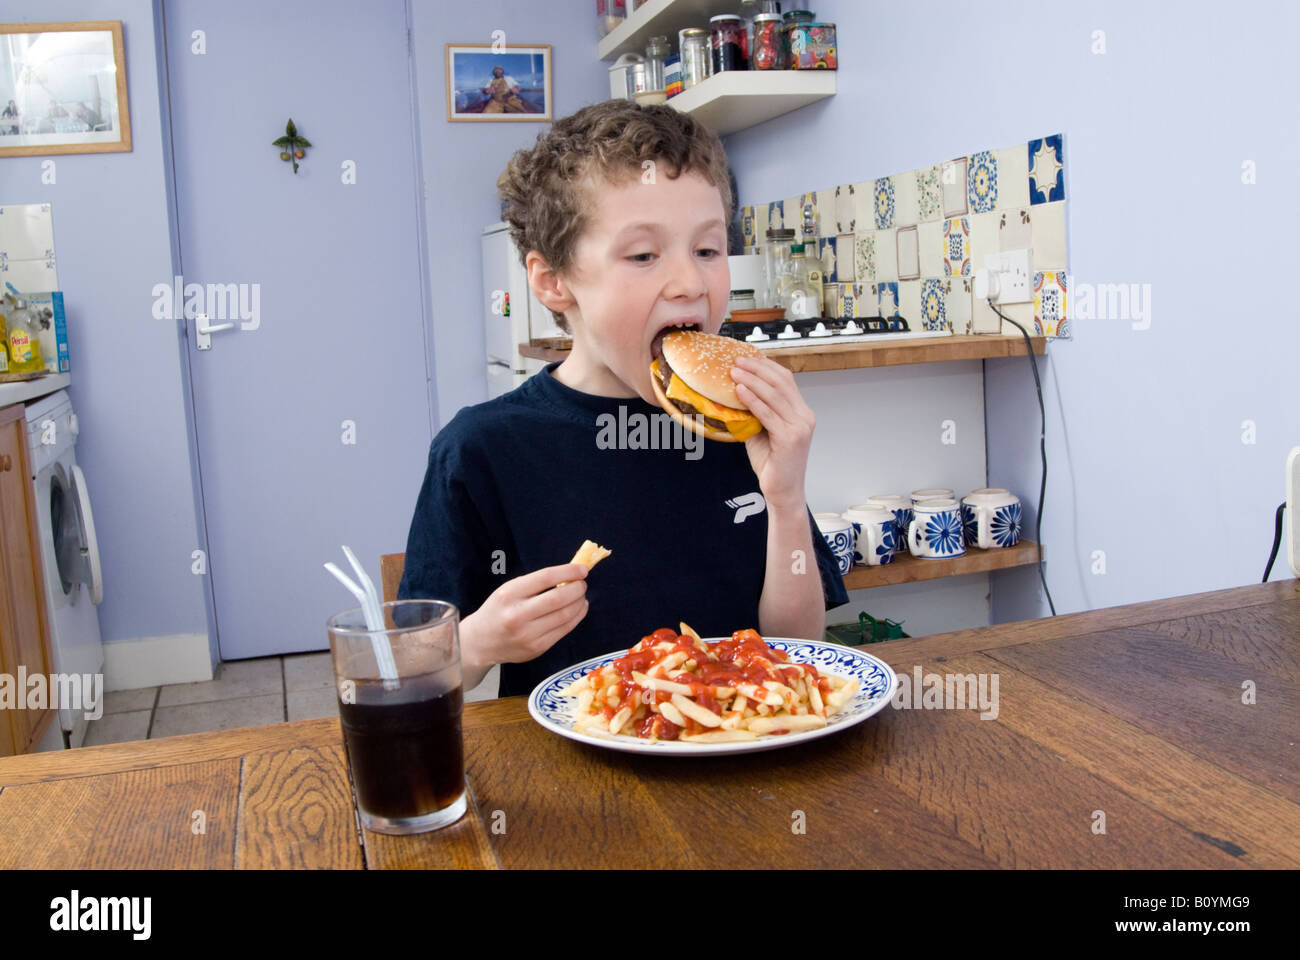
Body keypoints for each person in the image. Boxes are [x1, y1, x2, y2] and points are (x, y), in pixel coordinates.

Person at [398, 99, 847, 698]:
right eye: (643, 255)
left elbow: (799, 647)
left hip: (739, 759)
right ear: (552, 280)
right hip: (575, 770)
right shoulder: (482, 448)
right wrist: (478, 641)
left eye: (708, 251)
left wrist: (785, 498)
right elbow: (412, 671)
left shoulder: (738, 426)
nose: (690, 283)